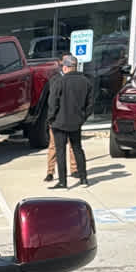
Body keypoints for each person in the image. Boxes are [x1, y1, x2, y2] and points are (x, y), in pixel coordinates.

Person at [47, 54, 92, 190]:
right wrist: (82, 118)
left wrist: (51, 118)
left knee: (61, 152)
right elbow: (90, 105)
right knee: (77, 149)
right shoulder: (86, 82)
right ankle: (84, 178)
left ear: (65, 67)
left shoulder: (59, 81)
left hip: (59, 122)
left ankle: (62, 181)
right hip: (76, 122)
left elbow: (52, 102)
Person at [42, 68, 83, 185]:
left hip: (71, 118)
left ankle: (74, 170)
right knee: (53, 146)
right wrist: (50, 118)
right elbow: (51, 101)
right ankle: (50, 172)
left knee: (72, 146)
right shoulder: (55, 79)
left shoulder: (76, 80)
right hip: (57, 120)